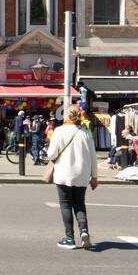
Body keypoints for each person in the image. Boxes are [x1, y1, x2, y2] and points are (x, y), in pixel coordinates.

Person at [48, 104, 98, 249]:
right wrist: (94, 176)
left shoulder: (59, 131)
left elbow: (51, 154)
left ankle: (69, 238)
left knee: (65, 204)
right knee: (79, 203)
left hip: (64, 173)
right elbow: (93, 156)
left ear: (66, 116)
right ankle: (84, 231)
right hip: (82, 173)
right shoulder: (85, 132)